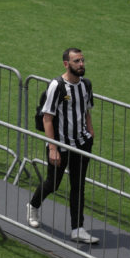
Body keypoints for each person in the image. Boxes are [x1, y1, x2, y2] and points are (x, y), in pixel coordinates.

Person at [27, 48, 99, 244]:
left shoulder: (86, 85)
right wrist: (53, 148)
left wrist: (90, 131)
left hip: (82, 143)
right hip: (61, 144)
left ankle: (78, 228)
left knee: (78, 185)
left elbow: (86, 110)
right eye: (77, 61)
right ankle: (33, 206)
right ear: (66, 64)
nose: (82, 64)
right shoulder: (57, 86)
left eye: (83, 60)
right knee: (53, 183)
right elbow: (47, 118)